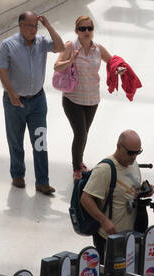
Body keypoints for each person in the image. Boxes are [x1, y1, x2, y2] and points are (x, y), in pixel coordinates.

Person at [0, 11, 65, 194]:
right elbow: (2, 72)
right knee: (15, 140)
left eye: (35, 26)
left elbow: (60, 47)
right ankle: (17, 174)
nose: (33, 29)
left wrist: (48, 26)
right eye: (29, 25)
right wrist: (11, 94)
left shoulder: (42, 42)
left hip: (37, 101)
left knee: (40, 142)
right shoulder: (7, 45)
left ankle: (42, 181)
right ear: (20, 26)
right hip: (14, 101)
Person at [53, 14, 123, 181]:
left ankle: (79, 160)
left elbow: (111, 61)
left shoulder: (98, 48)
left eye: (89, 28)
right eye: (82, 28)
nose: (86, 31)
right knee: (80, 134)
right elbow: (56, 65)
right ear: (76, 31)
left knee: (84, 132)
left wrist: (118, 69)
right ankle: (77, 168)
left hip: (92, 99)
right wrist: (70, 60)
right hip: (72, 98)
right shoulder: (70, 46)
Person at [80, 130, 151, 255]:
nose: (134, 157)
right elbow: (85, 198)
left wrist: (143, 191)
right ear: (119, 147)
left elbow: (129, 190)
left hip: (130, 236)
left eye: (138, 152)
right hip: (109, 238)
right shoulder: (104, 169)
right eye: (130, 153)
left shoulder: (133, 164)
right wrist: (104, 221)